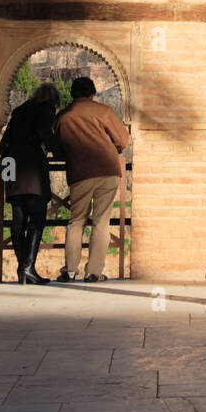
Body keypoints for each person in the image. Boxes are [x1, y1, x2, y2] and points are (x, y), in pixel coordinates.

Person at [56, 77, 130, 283]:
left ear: (72, 94)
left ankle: (70, 271)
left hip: (80, 174)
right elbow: (123, 140)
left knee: (76, 222)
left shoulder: (63, 117)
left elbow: (56, 148)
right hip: (107, 171)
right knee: (101, 222)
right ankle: (94, 272)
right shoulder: (103, 111)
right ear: (92, 94)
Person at [0, 83, 61, 285]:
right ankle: (28, 268)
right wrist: (59, 151)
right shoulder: (46, 108)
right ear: (54, 99)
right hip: (33, 170)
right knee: (36, 219)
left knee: (18, 220)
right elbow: (45, 134)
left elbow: (2, 147)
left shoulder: (19, 111)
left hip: (13, 169)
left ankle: (22, 269)